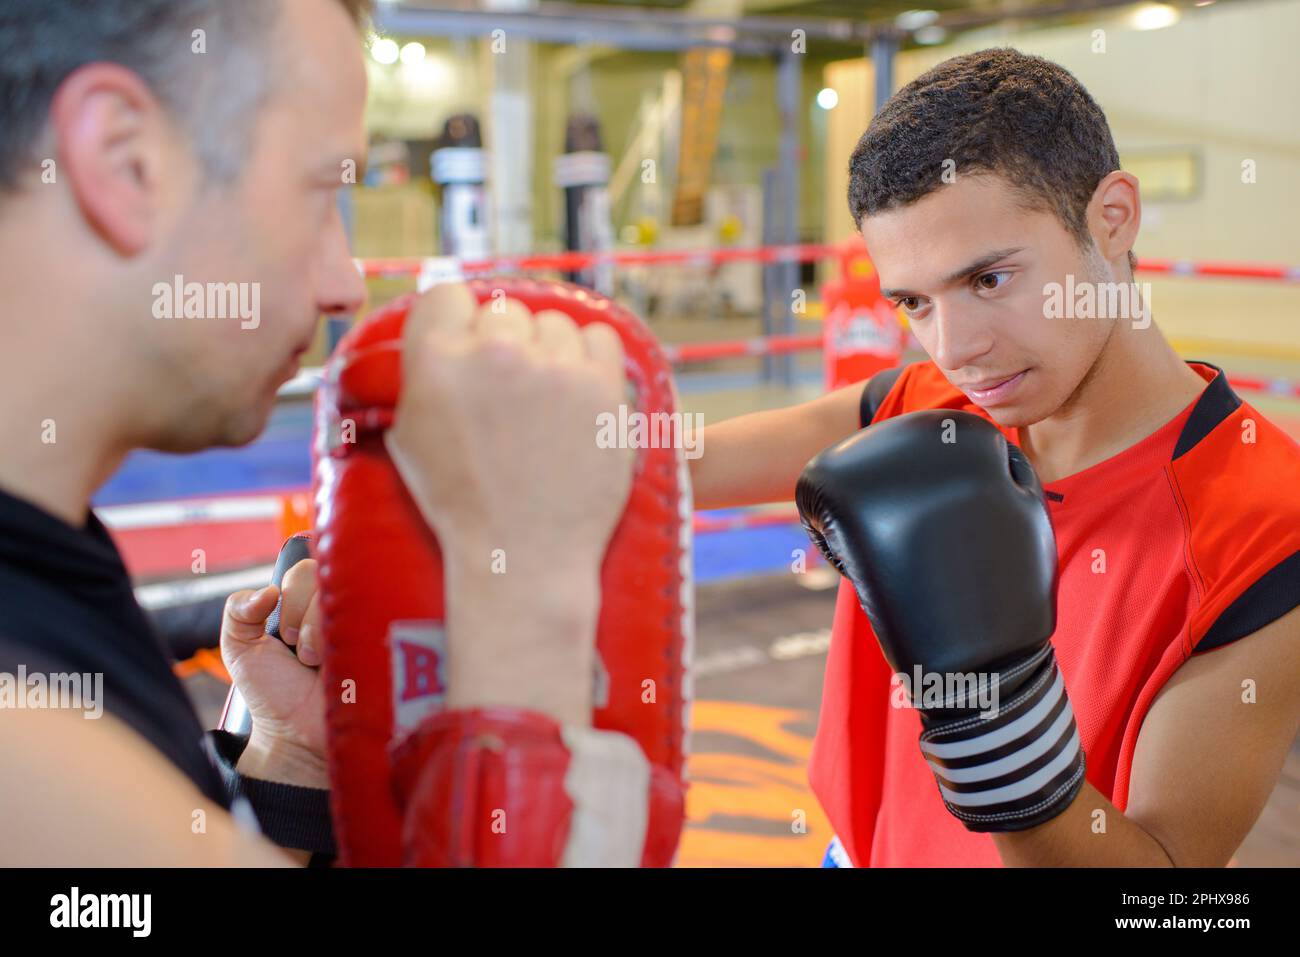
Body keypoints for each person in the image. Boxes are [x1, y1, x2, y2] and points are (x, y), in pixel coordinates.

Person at [0, 0, 637, 866]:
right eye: (320, 191)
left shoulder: (48, 560)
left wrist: (289, 758)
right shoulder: (24, 746)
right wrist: (528, 598)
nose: (345, 284)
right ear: (126, 162)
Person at [692, 48, 1300, 867]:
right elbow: (679, 466)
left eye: (988, 279)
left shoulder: (1265, 524)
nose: (957, 350)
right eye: (914, 302)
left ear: (1111, 218)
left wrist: (1002, 743)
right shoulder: (927, 409)